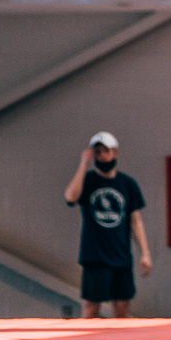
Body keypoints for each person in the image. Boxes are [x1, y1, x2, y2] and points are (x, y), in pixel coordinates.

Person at [64, 132, 152, 318]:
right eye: (98, 151)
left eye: (106, 151)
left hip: (120, 256)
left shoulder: (127, 184)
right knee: (91, 308)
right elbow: (71, 197)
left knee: (121, 309)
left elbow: (135, 220)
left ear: (115, 152)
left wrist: (145, 253)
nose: (102, 155)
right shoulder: (88, 180)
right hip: (95, 257)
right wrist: (83, 164)